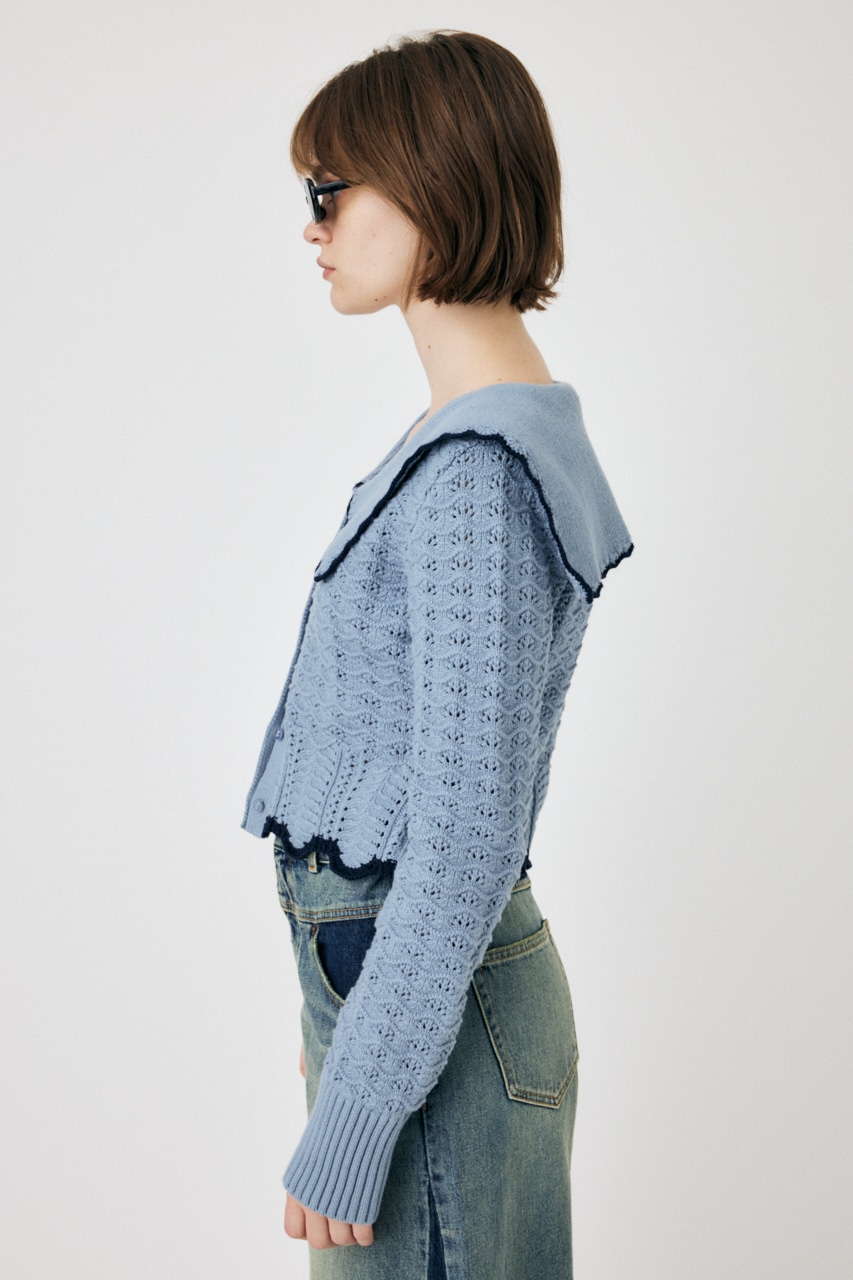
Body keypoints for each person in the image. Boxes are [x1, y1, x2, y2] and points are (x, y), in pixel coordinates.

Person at [241, 29, 633, 1279]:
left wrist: (360, 1097)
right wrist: (348, 1028)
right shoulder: (475, 436)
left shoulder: (474, 472)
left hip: (431, 1010)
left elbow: (463, 834)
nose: (313, 226)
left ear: (431, 182)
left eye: (330, 190)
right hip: (419, 1001)